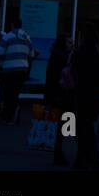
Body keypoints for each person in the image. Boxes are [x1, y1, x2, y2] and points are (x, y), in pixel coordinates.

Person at [71, 24, 99, 169]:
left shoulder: (78, 55)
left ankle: (85, 156)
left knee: (81, 127)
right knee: (88, 126)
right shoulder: (98, 57)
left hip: (80, 95)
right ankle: (90, 156)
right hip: (93, 97)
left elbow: (74, 73)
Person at [0, 17, 38, 124]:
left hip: (9, 69)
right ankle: (12, 114)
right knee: (15, 93)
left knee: (6, 93)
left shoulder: (8, 37)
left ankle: (6, 116)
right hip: (22, 69)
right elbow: (31, 54)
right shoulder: (27, 38)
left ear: (12, 25)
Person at [44, 32, 73, 166]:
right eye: (69, 42)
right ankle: (58, 153)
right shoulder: (60, 59)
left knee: (62, 125)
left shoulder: (60, 57)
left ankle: (59, 152)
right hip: (59, 96)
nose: (71, 45)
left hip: (60, 96)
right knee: (61, 125)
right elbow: (52, 79)